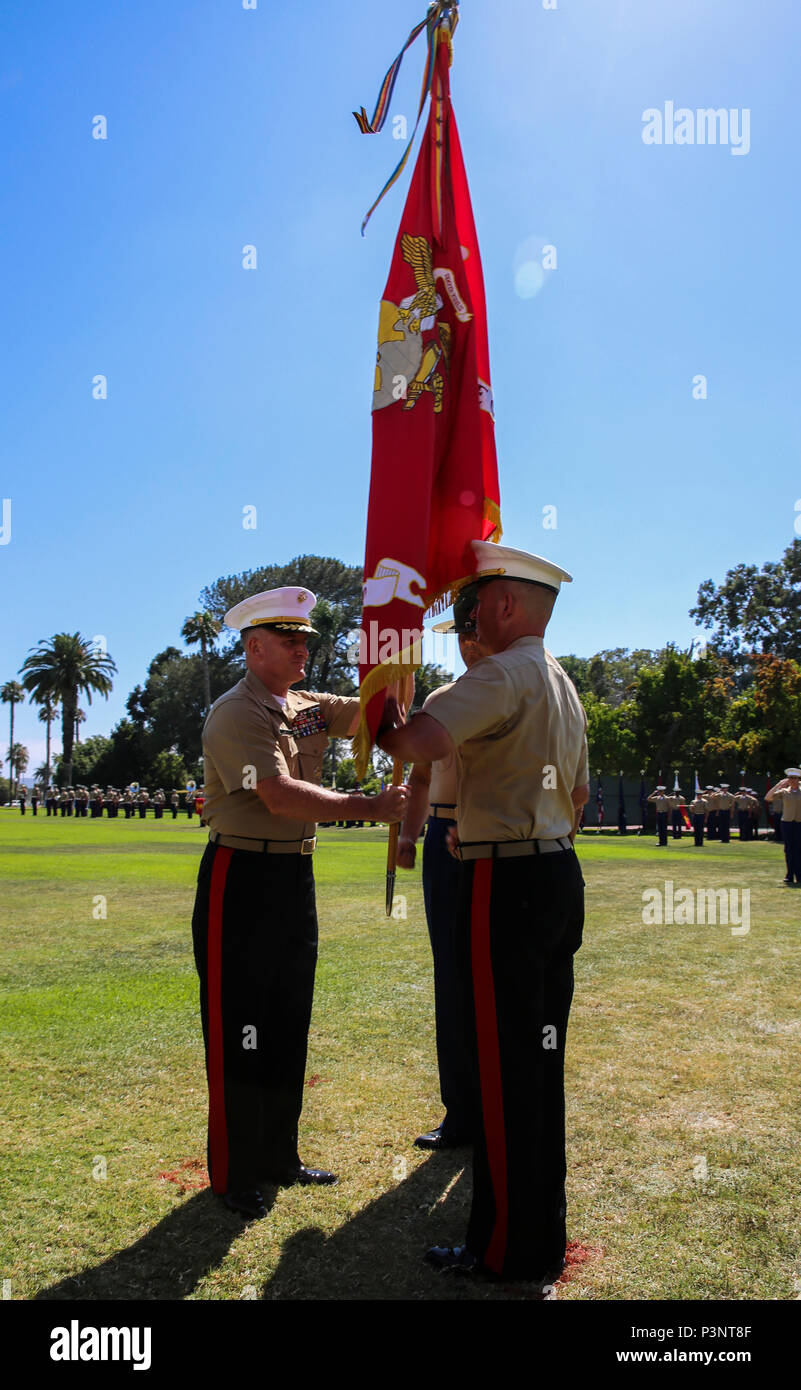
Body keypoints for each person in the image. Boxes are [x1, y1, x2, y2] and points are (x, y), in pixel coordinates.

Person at [380, 542, 588, 1286]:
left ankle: (503, 1249)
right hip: (555, 869)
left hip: (503, 880)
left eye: (477, 600)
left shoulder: (499, 674)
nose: (468, 615)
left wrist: (384, 690)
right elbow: (581, 798)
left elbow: (411, 743)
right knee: (536, 1066)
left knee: (504, 1071)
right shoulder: (560, 682)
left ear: (505, 606)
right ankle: (536, 1235)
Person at [192, 585, 408, 1220]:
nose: (304, 652)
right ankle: (235, 1172)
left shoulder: (305, 705)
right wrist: (370, 808)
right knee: (241, 1025)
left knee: (288, 1018)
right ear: (254, 647)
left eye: (307, 642)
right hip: (243, 874)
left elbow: (375, 711)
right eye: (291, 642)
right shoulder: (237, 713)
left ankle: (279, 1155)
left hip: (293, 875)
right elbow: (279, 796)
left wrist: (395, 663)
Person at [396, 584, 488, 1153]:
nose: (469, 649)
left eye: (475, 636)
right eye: (461, 639)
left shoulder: (510, 690)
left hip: (490, 838)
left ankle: (496, 1107)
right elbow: (423, 778)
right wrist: (408, 833)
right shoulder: (443, 698)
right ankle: (461, 1112)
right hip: (443, 837)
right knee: (453, 980)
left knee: (494, 980)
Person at [766, 769, 801, 884]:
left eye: (794, 778)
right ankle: (789, 875)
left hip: (799, 823)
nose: (791, 780)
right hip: (787, 822)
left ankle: (799, 875)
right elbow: (768, 798)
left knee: (798, 849)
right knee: (789, 849)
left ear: (798, 779)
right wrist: (778, 785)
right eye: (790, 778)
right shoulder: (784, 792)